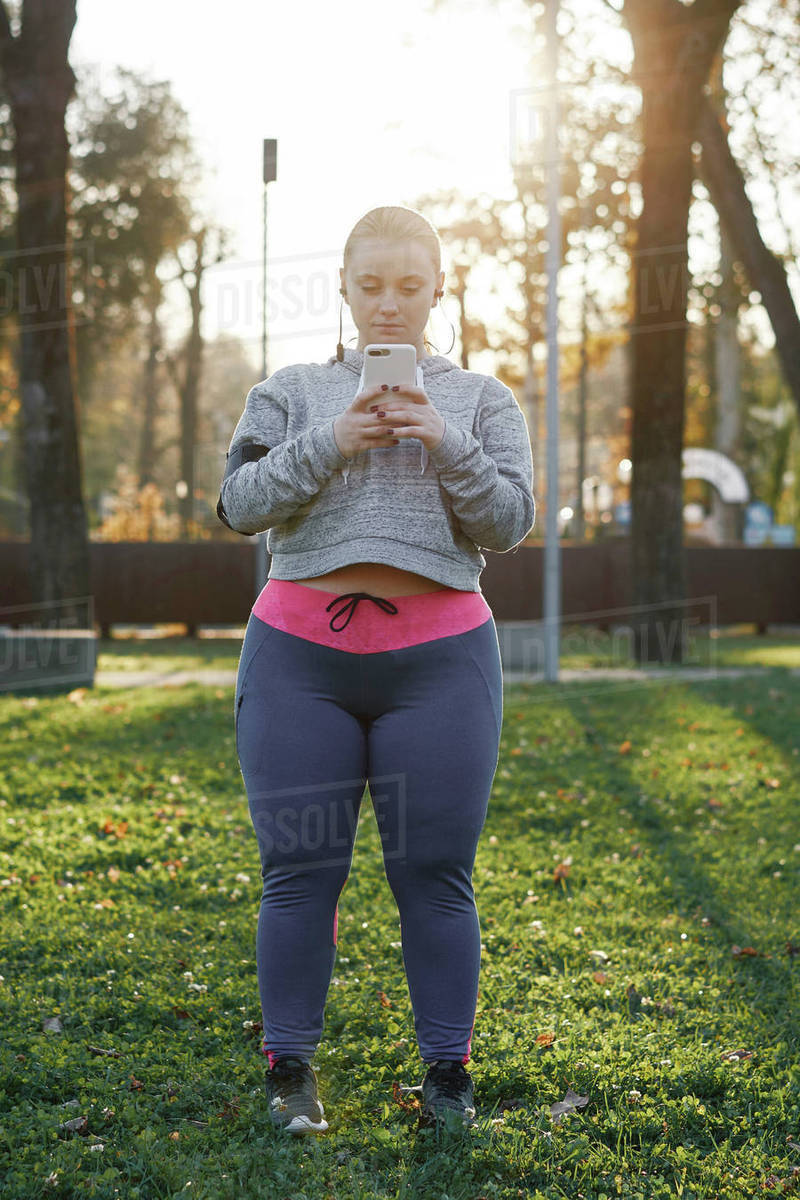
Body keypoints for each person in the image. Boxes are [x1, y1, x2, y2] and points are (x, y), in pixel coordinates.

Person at [217, 205, 535, 1135]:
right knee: (299, 869)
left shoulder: (481, 399)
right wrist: (334, 441)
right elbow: (238, 504)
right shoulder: (290, 392)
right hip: (297, 657)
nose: (389, 305)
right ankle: (290, 1076)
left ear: (439, 289)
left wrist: (442, 438)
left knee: (436, 872)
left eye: (409, 285)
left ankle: (449, 1080)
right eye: (370, 286)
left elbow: (508, 524)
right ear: (346, 291)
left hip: (440, 661)